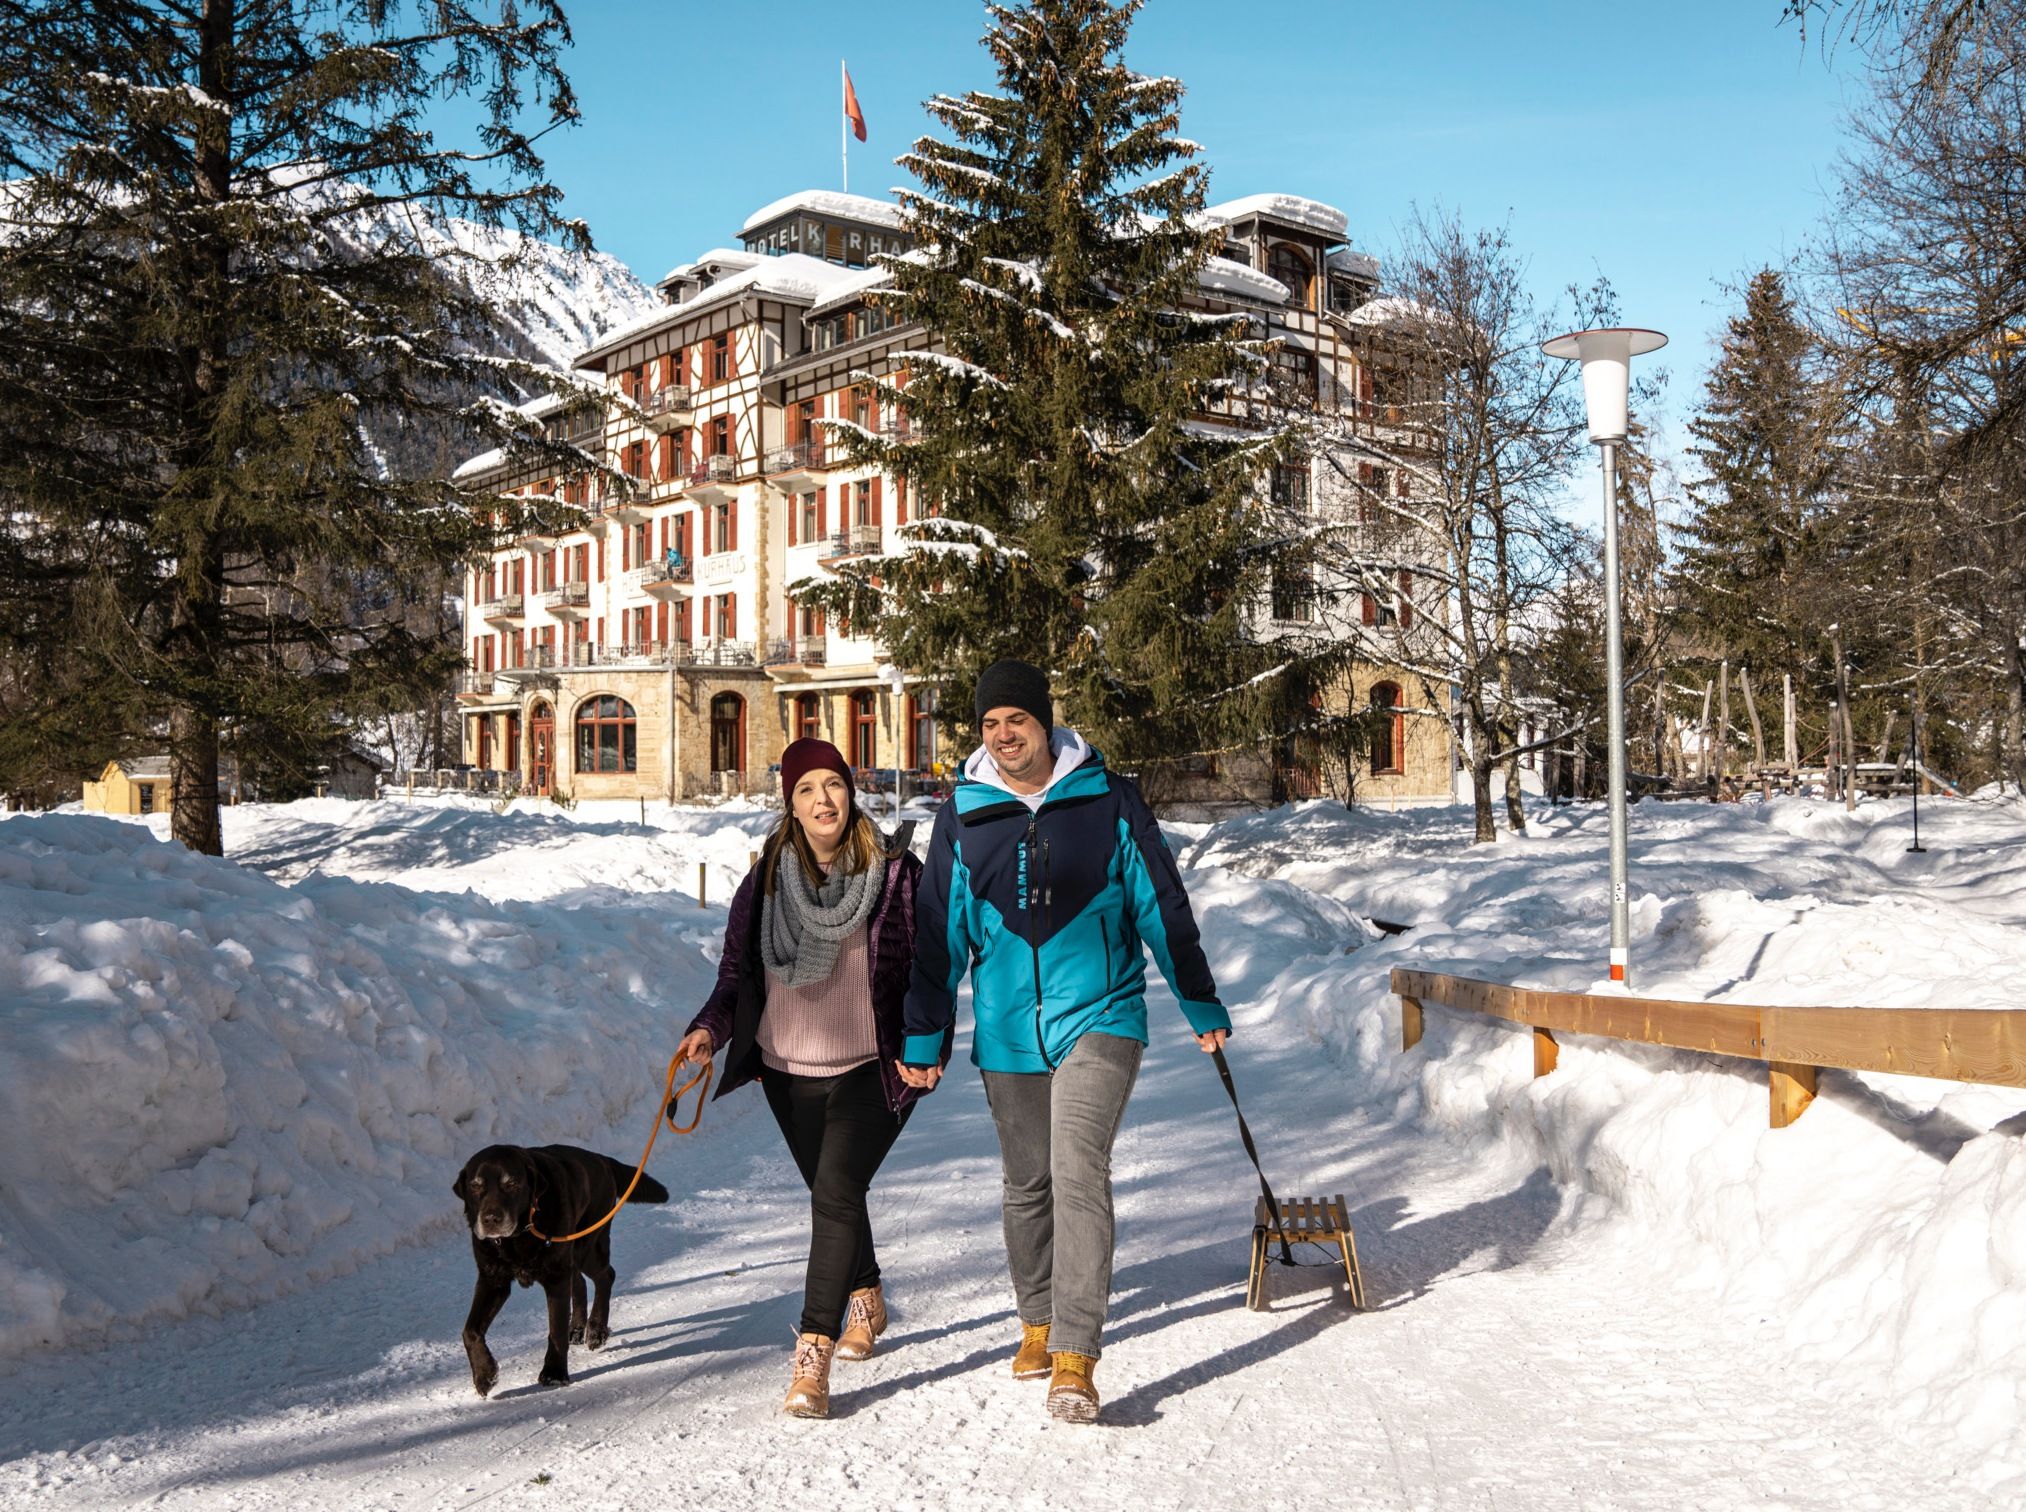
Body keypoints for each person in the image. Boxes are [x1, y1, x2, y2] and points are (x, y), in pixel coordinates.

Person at [897, 659, 1229, 1424]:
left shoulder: (1108, 799)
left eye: (1017, 719)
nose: (1005, 734)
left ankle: (1075, 1355)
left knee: (1078, 1167)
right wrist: (925, 1035)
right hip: (1010, 1031)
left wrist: (1196, 997)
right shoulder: (965, 814)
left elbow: (1161, 905)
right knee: (1027, 1184)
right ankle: (1037, 1322)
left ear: (1045, 723)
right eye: (990, 724)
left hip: (1102, 1014)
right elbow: (939, 937)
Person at [677, 737, 947, 1419]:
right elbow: (736, 974)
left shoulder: (892, 874)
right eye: (806, 789)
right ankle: (868, 1295)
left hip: (873, 1067)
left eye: (832, 784)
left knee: (833, 1192)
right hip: (787, 1073)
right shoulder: (765, 879)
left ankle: (812, 1358)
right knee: (838, 1195)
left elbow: (928, 969)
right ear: (790, 804)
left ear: (849, 792)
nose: (822, 799)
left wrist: (926, 1041)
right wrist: (709, 1029)